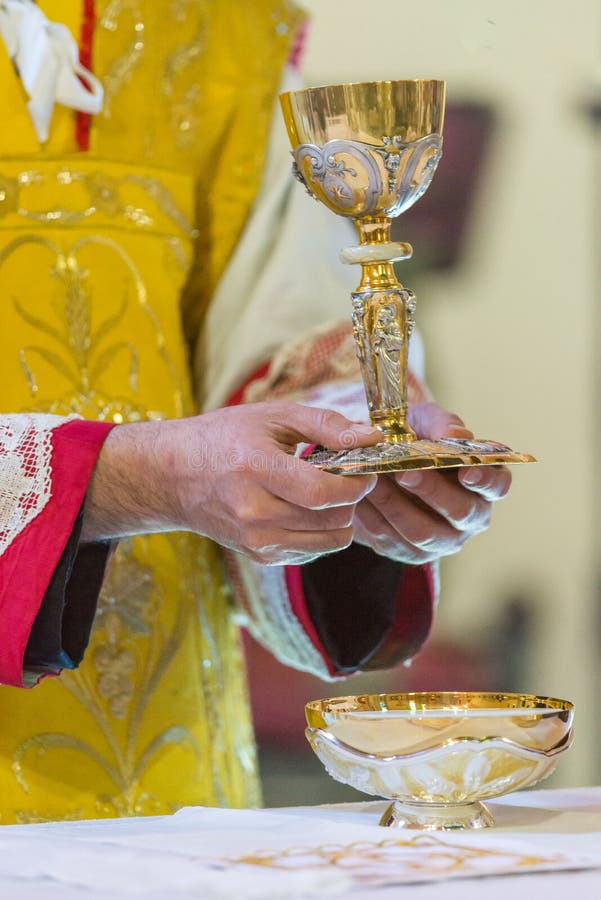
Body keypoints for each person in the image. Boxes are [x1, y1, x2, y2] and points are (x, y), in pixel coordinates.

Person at [0, 0, 510, 824]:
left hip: (166, 770)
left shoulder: (213, 26)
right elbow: (165, 469)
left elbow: (276, 336)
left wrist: (348, 450)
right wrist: (123, 480)